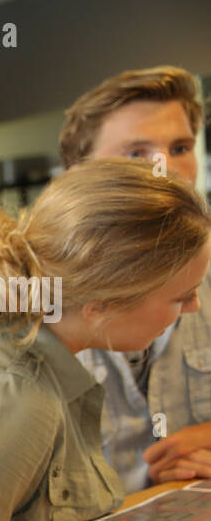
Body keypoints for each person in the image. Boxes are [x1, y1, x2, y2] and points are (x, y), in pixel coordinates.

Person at [0, 159, 211, 521]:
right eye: (181, 296)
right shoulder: (16, 401)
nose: (194, 306)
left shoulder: (27, 354)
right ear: (101, 303)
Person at [60, 65, 211, 488]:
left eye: (180, 147)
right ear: (79, 177)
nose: (166, 170)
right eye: (136, 154)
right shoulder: (24, 304)